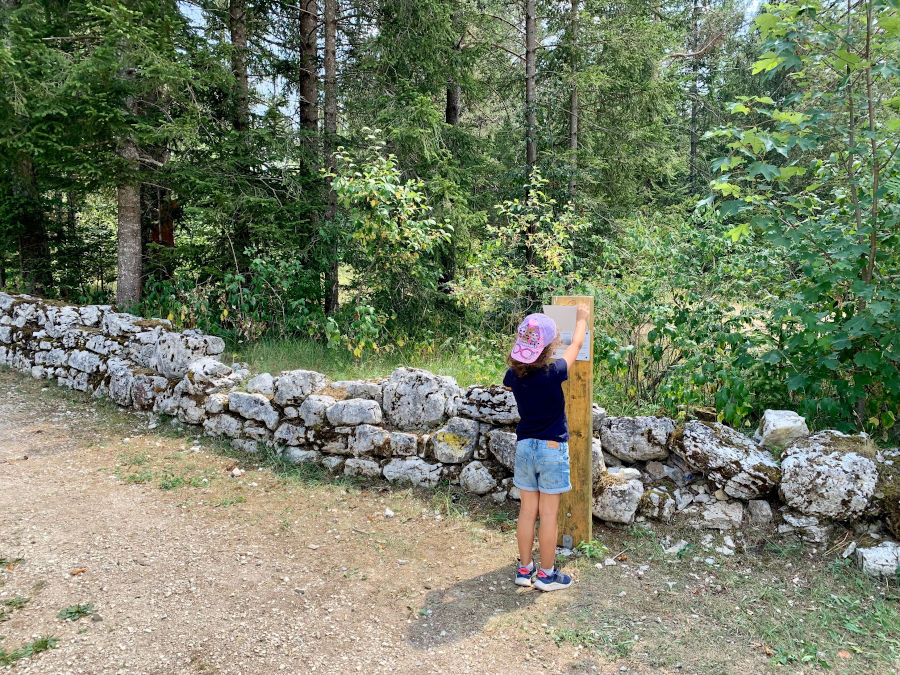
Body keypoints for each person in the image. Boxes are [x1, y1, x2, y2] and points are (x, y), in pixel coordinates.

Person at [503, 305, 589, 591]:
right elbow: (577, 344)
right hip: (552, 448)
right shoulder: (555, 373)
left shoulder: (513, 377)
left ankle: (524, 569)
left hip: (525, 447)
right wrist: (581, 319)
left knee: (528, 512)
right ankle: (547, 575)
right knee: (549, 514)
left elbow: (513, 379)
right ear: (549, 347)